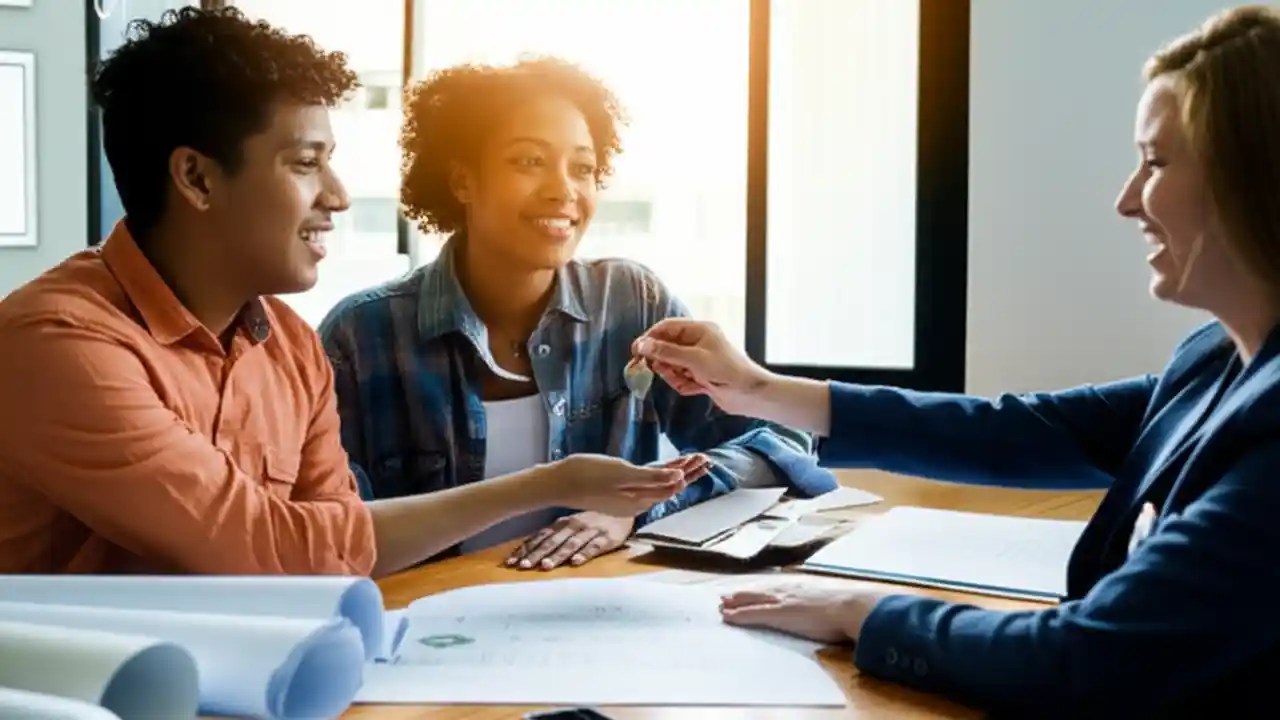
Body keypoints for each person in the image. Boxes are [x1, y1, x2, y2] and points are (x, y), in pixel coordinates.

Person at [631, 5, 1280, 717]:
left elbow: (1091, 659)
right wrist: (756, 388)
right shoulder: (1214, 358)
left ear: (1254, 174)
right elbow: (1016, 430)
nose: (1127, 201)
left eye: (1154, 163)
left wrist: (863, 611)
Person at [0, 7, 696, 576]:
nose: (336, 196)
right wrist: (549, 483)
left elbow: (341, 546)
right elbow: (264, 548)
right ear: (198, 179)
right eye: (306, 163)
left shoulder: (290, 346)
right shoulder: (57, 345)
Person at [318, 57, 835, 570]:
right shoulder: (362, 336)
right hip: (425, 610)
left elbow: (782, 442)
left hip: (598, 605)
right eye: (529, 161)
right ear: (462, 181)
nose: (563, 190)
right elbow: (329, 537)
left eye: (583, 168)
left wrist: (636, 508)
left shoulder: (629, 303)